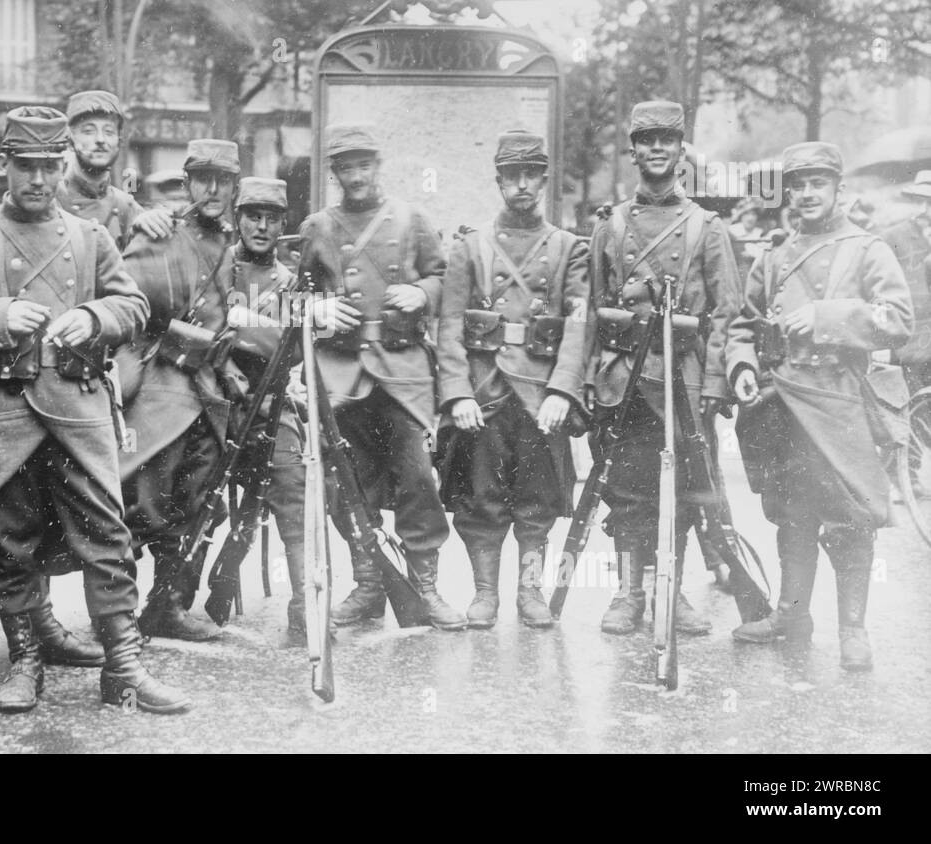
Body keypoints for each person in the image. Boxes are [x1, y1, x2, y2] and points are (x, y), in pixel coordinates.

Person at [0, 106, 188, 714]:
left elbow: (133, 307)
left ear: (62, 166)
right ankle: (25, 662)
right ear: (4, 168)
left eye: (49, 167)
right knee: (9, 541)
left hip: (78, 407)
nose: (38, 180)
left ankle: (123, 665)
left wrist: (93, 317)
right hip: (4, 412)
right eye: (26, 167)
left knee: (107, 538)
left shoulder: (90, 238)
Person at [727, 142, 912, 671]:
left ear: (838, 190)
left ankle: (853, 629)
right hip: (784, 402)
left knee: (851, 517)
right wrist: (741, 366)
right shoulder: (776, 256)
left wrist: (828, 316)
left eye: (817, 184)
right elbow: (744, 323)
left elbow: (898, 319)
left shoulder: (867, 249)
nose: (807, 194)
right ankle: (792, 616)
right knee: (792, 514)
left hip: (841, 402)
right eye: (799, 185)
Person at [299, 124, 464, 631]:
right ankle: (369, 585)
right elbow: (292, 294)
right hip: (344, 371)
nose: (356, 177)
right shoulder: (317, 228)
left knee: (417, 479)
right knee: (352, 485)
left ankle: (426, 588)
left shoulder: (412, 219)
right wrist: (319, 306)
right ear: (335, 173)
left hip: (403, 369)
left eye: (363, 165)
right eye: (345, 168)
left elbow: (444, 278)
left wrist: (424, 294)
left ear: (378, 166)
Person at [585, 100, 741, 637]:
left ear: (681, 151)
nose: (656, 148)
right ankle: (629, 593)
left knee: (684, 490)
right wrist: (588, 381)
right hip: (624, 378)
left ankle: (671, 593)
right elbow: (591, 307)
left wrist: (716, 385)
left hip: (685, 379)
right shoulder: (610, 226)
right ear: (632, 151)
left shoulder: (708, 227)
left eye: (666, 140)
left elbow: (726, 312)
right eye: (646, 139)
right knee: (627, 490)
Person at [436, 130, 590, 629]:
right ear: (499, 180)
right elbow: (449, 326)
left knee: (538, 501)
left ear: (543, 180)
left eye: (531, 175)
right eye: (512, 176)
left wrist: (563, 391)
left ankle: (530, 591)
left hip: (540, 394)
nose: (522, 185)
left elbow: (579, 323)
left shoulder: (569, 249)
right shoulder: (470, 247)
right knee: (479, 499)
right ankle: (485, 594)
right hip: (485, 390)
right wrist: (457, 392)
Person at [116, 139, 241, 642]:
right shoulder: (158, 234)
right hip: (159, 387)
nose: (212, 190)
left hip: (208, 389)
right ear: (187, 183)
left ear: (235, 187)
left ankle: (164, 604)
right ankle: (118, 617)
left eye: (224, 181)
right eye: (202, 179)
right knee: (140, 500)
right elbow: (122, 307)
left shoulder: (229, 246)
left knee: (195, 498)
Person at [215, 176, 306, 633]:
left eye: (272, 219)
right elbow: (196, 322)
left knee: (293, 484)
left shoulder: (292, 280)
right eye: (254, 216)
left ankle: (305, 601)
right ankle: (175, 590)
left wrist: (236, 323)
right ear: (238, 218)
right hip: (211, 400)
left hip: (270, 404)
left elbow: (296, 347)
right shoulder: (216, 266)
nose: (262, 227)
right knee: (191, 491)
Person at [58, 90, 141, 249]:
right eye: (89, 131)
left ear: (119, 141)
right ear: (70, 140)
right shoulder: (52, 201)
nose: (101, 140)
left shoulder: (128, 208)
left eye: (109, 132)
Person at [877, 170, 931, 396]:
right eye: (922, 201)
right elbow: (879, 290)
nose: (926, 209)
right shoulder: (893, 238)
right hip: (914, 344)